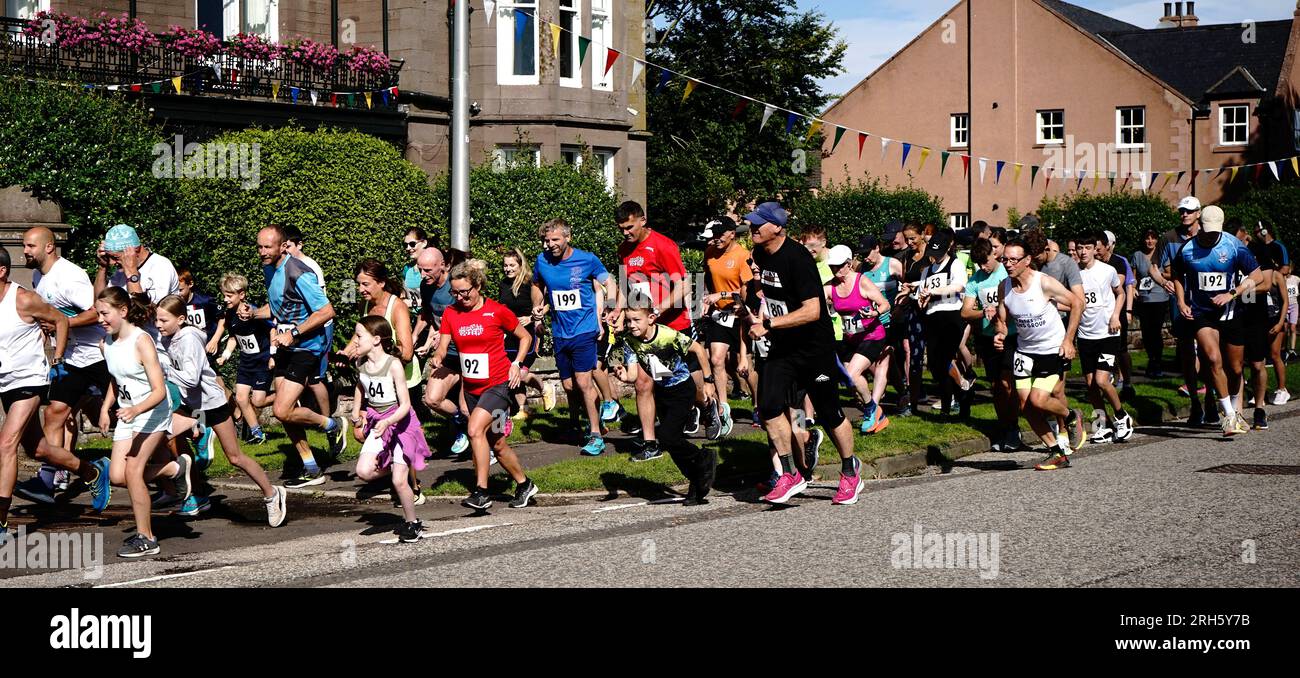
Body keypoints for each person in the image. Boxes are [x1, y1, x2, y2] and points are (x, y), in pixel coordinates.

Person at [744, 202, 864, 505]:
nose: (752, 227)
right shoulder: (760, 253)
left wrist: (769, 324)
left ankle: (850, 472)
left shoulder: (798, 260)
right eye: (752, 222)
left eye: (759, 223)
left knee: (828, 412)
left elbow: (812, 311)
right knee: (769, 407)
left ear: (777, 227)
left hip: (813, 348)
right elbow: (772, 295)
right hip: (782, 347)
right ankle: (789, 473)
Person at [155, 296, 287, 524]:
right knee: (164, 437)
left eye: (164, 320)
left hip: (211, 404)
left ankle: (272, 493)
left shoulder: (189, 339)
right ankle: (198, 494)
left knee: (235, 457)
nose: (158, 325)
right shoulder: (166, 338)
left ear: (181, 319)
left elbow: (191, 379)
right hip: (190, 404)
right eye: (156, 320)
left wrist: (163, 371)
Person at [16, 227, 113, 506]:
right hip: (73, 358)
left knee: (120, 416)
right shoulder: (38, 277)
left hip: (98, 355)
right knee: (55, 413)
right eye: (24, 246)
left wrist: (62, 324)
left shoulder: (69, 276)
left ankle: (177, 453)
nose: (25, 251)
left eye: (30, 246)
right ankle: (47, 481)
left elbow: (97, 311)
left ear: (49, 247)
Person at [94, 287, 192, 557]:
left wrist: (136, 409)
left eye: (105, 313)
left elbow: (159, 390)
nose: (100, 319)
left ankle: (147, 538)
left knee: (133, 471)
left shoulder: (142, 341)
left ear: (123, 311)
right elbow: (117, 378)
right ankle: (174, 468)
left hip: (153, 411)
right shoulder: (106, 343)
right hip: (129, 412)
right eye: (98, 313)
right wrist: (105, 407)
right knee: (117, 476)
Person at [434, 260, 538, 511]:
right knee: (497, 443)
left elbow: (525, 337)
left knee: (474, 430)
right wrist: (437, 356)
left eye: (465, 292)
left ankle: (481, 492)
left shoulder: (496, 311)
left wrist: (517, 364)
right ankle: (525, 485)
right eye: (455, 293)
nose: (460, 297)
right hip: (472, 389)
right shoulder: (451, 313)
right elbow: (443, 345)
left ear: (478, 286)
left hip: (499, 386)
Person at [0, 251, 85, 546]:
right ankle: (92, 470)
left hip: (30, 380)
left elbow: (60, 320)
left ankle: (1, 523)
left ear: (1, 271)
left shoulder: (23, 299)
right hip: (5, 382)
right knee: (38, 449)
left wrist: (57, 358)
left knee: (6, 445)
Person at [616, 201, 720, 440]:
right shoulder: (624, 250)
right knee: (652, 381)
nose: (626, 233)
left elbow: (684, 285)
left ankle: (706, 406)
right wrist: (619, 311)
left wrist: (658, 309)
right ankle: (656, 438)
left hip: (675, 323)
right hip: (646, 329)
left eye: (630, 227)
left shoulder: (662, 245)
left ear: (643, 220)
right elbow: (625, 285)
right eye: (621, 229)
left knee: (690, 381)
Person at [253, 225, 345, 487]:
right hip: (286, 348)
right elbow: (279, 307)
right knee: (285, 413)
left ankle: (332, 425)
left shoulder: (299, 272)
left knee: (281, 409)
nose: (262, 252)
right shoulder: (269, 269)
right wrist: (253, 313)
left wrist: (293, 332)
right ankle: (312, 468)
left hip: (306, 348)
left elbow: (327, 311)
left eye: (267, 247)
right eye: (259, 247)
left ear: (283, 246)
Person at [613, 295, 719, 504]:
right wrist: (624, 376)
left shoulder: (667, 335)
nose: (631, 325)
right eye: (628, 320)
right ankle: (697, 483)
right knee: (671, 442)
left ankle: (703, 457)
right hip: (662, 393)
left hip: (682, 390)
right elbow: (633, 374)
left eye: (637, 320)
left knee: (667, 436)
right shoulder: (629, 341)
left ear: (651, 318)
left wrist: (708, 381)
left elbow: (698, 349)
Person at [1169, 205, 1265, 436]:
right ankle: (1229, 416)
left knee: (1235, 368)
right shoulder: (1187, 249)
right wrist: (1181, 301)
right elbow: (1177, 275)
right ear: (1200, 225)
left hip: (1230, 312)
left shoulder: (1233, 245)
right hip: (1201, 313)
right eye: (1207, 230)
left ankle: (1235, 409)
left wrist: (1232, 293)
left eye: (1215, 231)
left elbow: (1257, 275)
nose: (1211, 235)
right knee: (1213, 359)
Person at [994, 240, 1085, 471]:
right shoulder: (1004, 286)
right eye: (1005, 259)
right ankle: (1056, 453)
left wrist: (1068, 340)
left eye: (1013, 260)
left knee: (1038, 399)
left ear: (1027, 260)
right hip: (1024, 351)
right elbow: (1002, 319)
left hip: (1051, 350)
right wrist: (1000, 334)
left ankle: (1071, 416)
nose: (1008, 264)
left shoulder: (1043, 282)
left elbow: (1077, 303)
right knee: (1026, 406)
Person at [532, 219, 618, 455]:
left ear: (568, 238)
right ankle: (594, 421)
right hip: (560, 332)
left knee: (583, 382)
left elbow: (609, 282)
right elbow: (537, 285)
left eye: (555, 239)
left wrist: (611, 306)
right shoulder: (542, 260)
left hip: (584, 329)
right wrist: (537, 307)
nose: (550, 244)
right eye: (546, 240)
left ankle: (595, 436)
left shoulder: (587, 259)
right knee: (569, 386)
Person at [350, 316, 431, 542]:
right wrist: (356, 411)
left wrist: (388, 421)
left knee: (398, 481)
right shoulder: (361, 363)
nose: (355, 341)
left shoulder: (393, 365)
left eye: (359, 336)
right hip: (378, 422)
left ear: (376, 339)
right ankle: (396, 466)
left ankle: (412, 523)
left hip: (401, 423)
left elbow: (405, 405)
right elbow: (361, 386)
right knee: (364, 471)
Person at [1022, 227, 1087, 450]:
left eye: (1037, 256)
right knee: (1041, 391)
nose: (1034, 261)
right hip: (1035, 337)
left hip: (1060, 333)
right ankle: (1058, 425)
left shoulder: (1066, 264)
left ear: (1046, 249)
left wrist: (1049, 304)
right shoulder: (1030, 266)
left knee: (1057, 388)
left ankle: (1064, 429)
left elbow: (1079, 301)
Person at [1151, 196, 1210, 424]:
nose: (1184, 214)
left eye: (1189, 211)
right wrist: (1162, 281)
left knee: (1209, 352)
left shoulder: (1209, 235)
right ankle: (1195, 404)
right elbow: (1153, 267)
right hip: (1181, 300)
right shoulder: (1169, 237)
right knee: (1186, 352)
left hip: (1205, 300)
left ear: (1198, 213)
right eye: (1181, 211)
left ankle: (1211, 399)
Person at [962, 237, 1022, 452]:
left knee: (1007, 382)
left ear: (993, 254)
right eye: (978, 264)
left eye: (985, 261)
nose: (983, 267)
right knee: (996, 386)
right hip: (987, 337)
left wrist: (1000, 310)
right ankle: (1004, 426)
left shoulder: (1006, 274)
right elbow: (965, 312)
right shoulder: (975, 281)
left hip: (1010, 334)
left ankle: (1014, 428)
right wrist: (983, 312)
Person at [1075, 232, 1134, 444]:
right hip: (1085, 334)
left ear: (1095, 249)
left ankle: (1122, 416)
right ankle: (1104, 425)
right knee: (1091, 384)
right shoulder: (1073, 274)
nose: (1083, 252)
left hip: (1108, 333)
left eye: (1087, 248)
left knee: (1102, 380)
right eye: (1079, 248)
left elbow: (1121, 293)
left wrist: (1116, 315)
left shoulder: (1107, 271)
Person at [827, 245, 892, 434]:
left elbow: (885, 304)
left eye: (839, 266)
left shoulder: (861, 281)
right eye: (832, 266)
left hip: (872, 335)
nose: (835, 269)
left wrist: (874, 312)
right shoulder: (830, 287)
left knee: (852, 374)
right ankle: (874, 410)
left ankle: (872, 409)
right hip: (851, 338)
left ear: (849, 264)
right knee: (849, 379)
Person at [415, 246, 470, 456]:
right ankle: (460, 423)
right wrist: (420, 338)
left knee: (467, 407)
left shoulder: (455, 285)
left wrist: (446, 333)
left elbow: (470, 316)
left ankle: (491, 441)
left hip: (468, 353)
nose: (423, 275)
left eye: (428, 270)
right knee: (432, 399)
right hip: (447, 354)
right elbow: (429, 315)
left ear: (443, 266)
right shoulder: (426, 286)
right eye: (420, 269)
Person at [699, 216, 751, 436]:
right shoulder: (710, 253)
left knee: (744, 367)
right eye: (714, 234)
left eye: (720, 234)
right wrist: (706, 299)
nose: (716, 238)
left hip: (740, 315)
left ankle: (758, 404)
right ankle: (723, 407)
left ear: (732, 234)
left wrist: (720, 294)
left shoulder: (743, 256)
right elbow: (707, 279)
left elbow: (747, 291)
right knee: (716, 359)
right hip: (720, 314)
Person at [281, 224, 335, 432]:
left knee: (314, 379)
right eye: (283, 247)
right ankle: (316, 420)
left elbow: (321, 307)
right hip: (300, 331)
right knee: (300, 378)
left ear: (299, 245)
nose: (285, 251)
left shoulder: (309, 267)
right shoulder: (286, 266)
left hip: (318, 329)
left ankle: (328, 420)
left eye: (289, 246)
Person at [93, 224, 181, 341]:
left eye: (115, 257)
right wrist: (102, 267)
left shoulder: (160, 267)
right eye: (109, 257)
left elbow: (144, 315)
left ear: (136, 250)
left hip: (160, 345)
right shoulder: (120, 272)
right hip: (131, 343)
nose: (112, 263)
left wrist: (131, 273)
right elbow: (99, 304)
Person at [918, 227, 972, 418]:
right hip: (932, 317)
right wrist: (922, 299)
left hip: (951, 316)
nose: (936, 256)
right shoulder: (927, 271)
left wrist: (934, 292)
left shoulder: (955, 264)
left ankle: (953, 402)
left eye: (939, 252)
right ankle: (959, 395)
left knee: (945, 359)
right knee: (935, 365)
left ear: (948, 248)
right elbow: (921, 295)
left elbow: (958, 286)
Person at [499, 249, 553, 418]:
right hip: (511, 333)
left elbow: (548, 303)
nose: (508, 269)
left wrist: (531, 318)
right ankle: (524, 408)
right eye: (505, 265)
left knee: (521, 372)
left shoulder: (530, 283)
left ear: (520, 265)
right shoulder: (503, 284)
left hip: (529, 332)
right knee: (511, 370)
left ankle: (544, 388)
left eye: (512, 265)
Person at [858, 233, 907, 409]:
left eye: (867, 253)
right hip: (869, 323)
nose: (865, 258)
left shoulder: (892, 264)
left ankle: (878, 400)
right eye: (862, 254)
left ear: (877, 248)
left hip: (889, 321)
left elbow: (908, 286)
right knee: (884, 361)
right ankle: (901, 393)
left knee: (883, 357)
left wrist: (900, 306)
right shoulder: (861, 268)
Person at [1099, 231, 1137, 399]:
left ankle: (1127, 382)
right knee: (1104, 348)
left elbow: (1121, 285)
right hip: (1099, 313)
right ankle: (1107, 380)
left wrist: (1128, 311)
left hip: (1117, 311)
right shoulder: (1091, 264)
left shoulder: (1119, 262)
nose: (1096, 252)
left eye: (1098, 248)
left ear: (1107, 246)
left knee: (1121, 350)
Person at [1131, 229, 1169, 378]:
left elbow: (1171, 273)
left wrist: (1157, 274)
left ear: (1157, 240)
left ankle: (1157, 362)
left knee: (1156, 331)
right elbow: (1133, 277)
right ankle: (1151, 359)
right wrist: (1133, 288)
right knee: (1146, 332)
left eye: (1153, 238)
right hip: (1143, 298)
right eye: (1147, 238)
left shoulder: (1162, 254)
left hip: (1159, 298)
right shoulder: (1137, 255)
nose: (1150, 241)